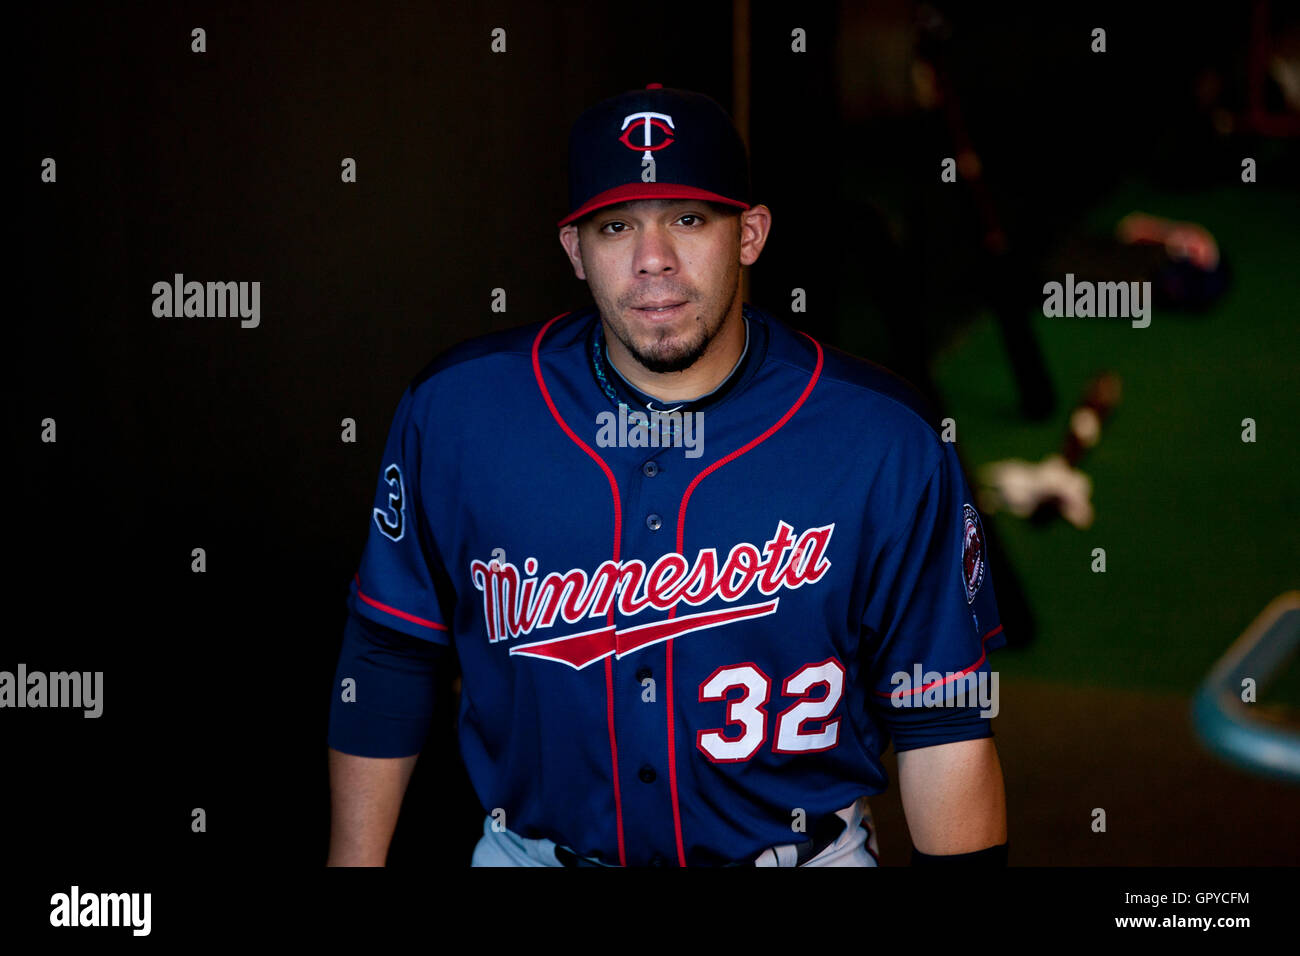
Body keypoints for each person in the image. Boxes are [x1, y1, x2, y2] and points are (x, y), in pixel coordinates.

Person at [326, 84, 1008, 867]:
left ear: (749, 235)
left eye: (689, 219)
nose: (654, 260)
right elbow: (388, 652)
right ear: (575, 251)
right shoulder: (458, 413)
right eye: (617, 226)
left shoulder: (883, 438)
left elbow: (941, 718)